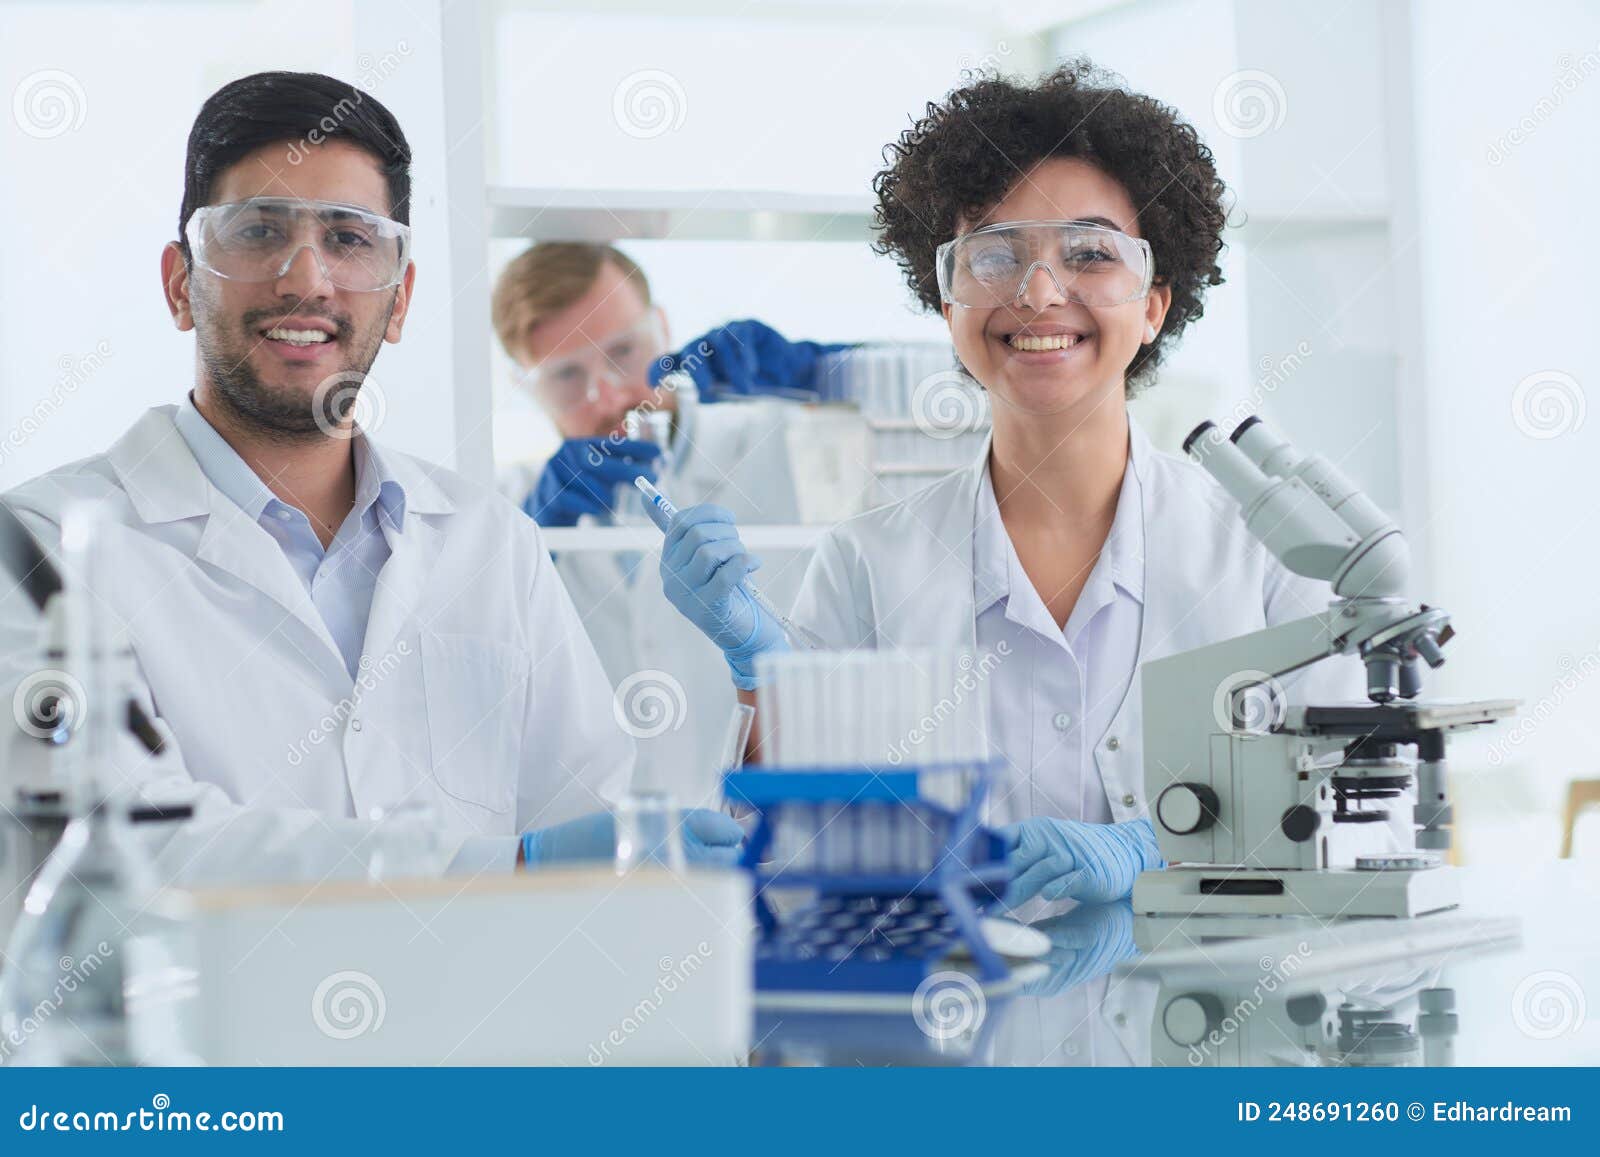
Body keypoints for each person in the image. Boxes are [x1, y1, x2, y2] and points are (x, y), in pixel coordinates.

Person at [0, 72, 742, 884]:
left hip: (485, 1016)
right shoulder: (40, 550)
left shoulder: (491, 543)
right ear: (181, 283)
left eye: (351, 239)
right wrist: (505, 868)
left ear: (399, 300)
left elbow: (595, 837)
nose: (307, 279)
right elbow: (117, 857)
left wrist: (753, 694)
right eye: (257, 231)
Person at [653, 62, 1363, 908]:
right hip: (956, 1030)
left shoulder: (1267, 550)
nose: (1037, 291)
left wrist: (1161, 851)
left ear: (1154, 305)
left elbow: (1361, 824)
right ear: (945, 303)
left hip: (1209, 1028)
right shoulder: (865, 565)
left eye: (1091, 253)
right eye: (995, 254)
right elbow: (790, 866)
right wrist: (761, 678)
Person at [491, 243, 847, 803]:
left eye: (623, 351)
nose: (609, 397)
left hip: (774, 828)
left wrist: (823, 372)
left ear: (662, 330)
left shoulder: (781, 444)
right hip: (604, 858)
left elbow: (961, 410)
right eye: (566, 376)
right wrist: (535, 536)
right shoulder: (512, 512)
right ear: (527, 389)